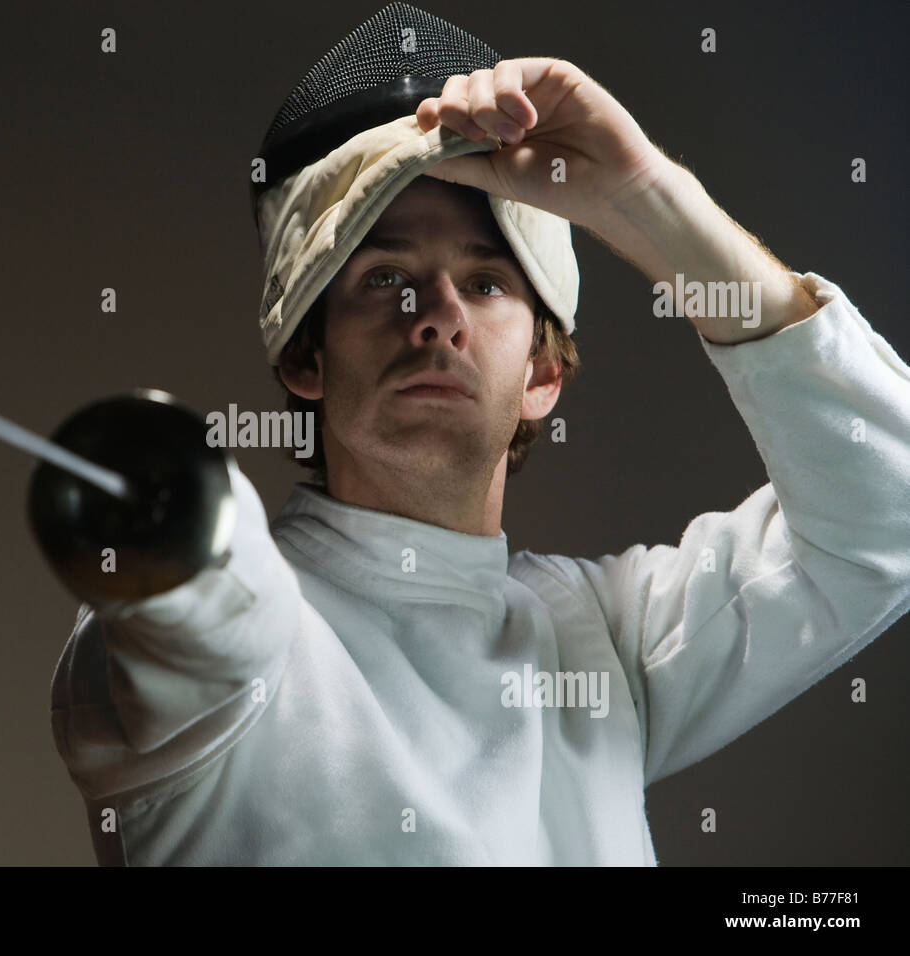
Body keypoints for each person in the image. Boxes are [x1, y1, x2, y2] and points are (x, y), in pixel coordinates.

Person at [48, 3, 910, 864]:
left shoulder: (601, 644)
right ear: (303, 358)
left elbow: (889, 513)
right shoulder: (222, 643)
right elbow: (201, 610)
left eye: (489, 282)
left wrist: (648, 199)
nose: (437, 317)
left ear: (543, 373)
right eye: (384, 275)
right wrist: (164, 502)